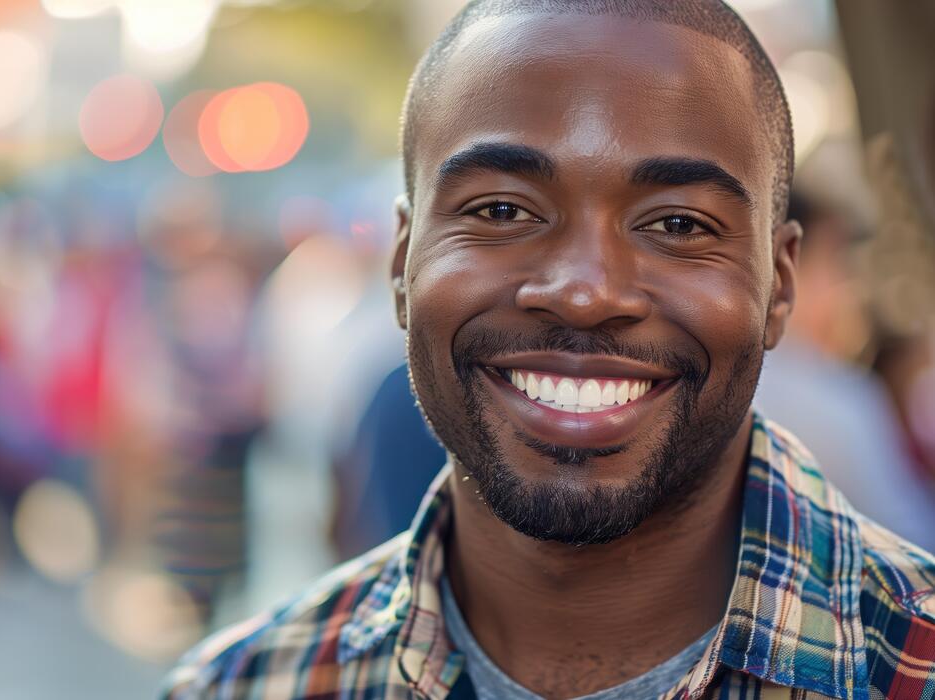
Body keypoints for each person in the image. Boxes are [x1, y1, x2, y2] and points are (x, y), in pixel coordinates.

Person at [164, 1, 935, 697]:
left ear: (778, 285)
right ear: (402, 263)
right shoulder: (248, 685)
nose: (586, 291)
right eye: (502, 209)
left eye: (677, 225)